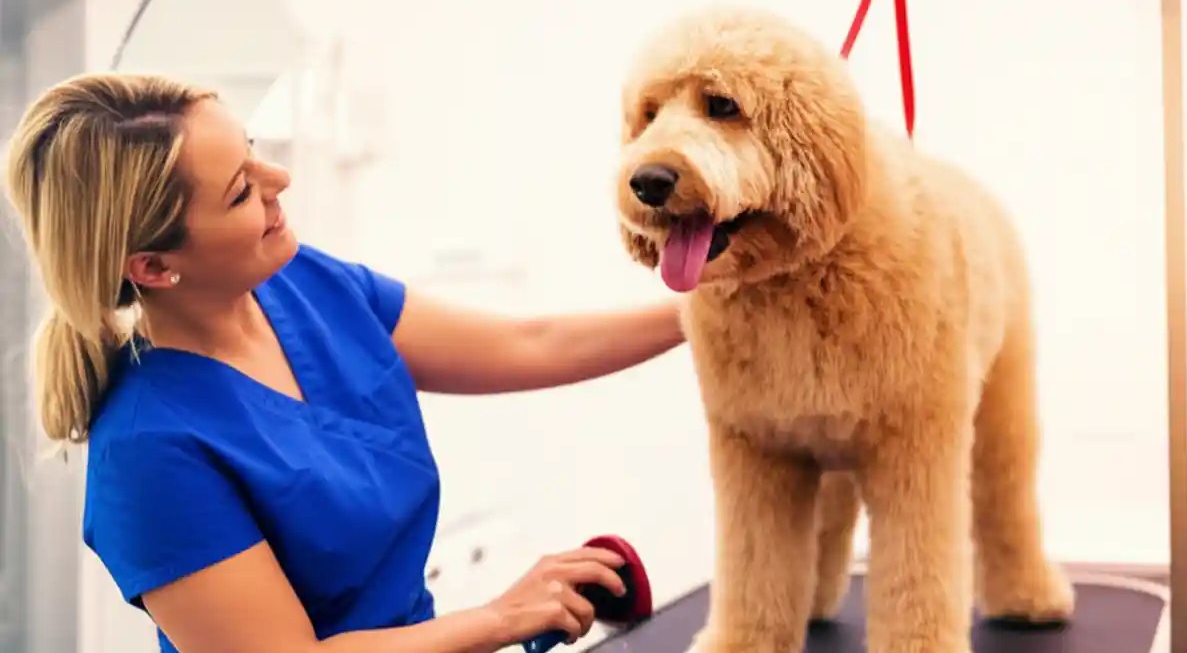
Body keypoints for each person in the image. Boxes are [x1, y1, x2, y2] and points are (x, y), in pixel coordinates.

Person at [4, 72, 685, 653]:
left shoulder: (306, 285)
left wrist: (714, 316)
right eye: (241, 191)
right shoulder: (147, 452)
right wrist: (501, 618)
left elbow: (528, 343)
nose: (280, 179)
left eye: (254, 153)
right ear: (153, 266)